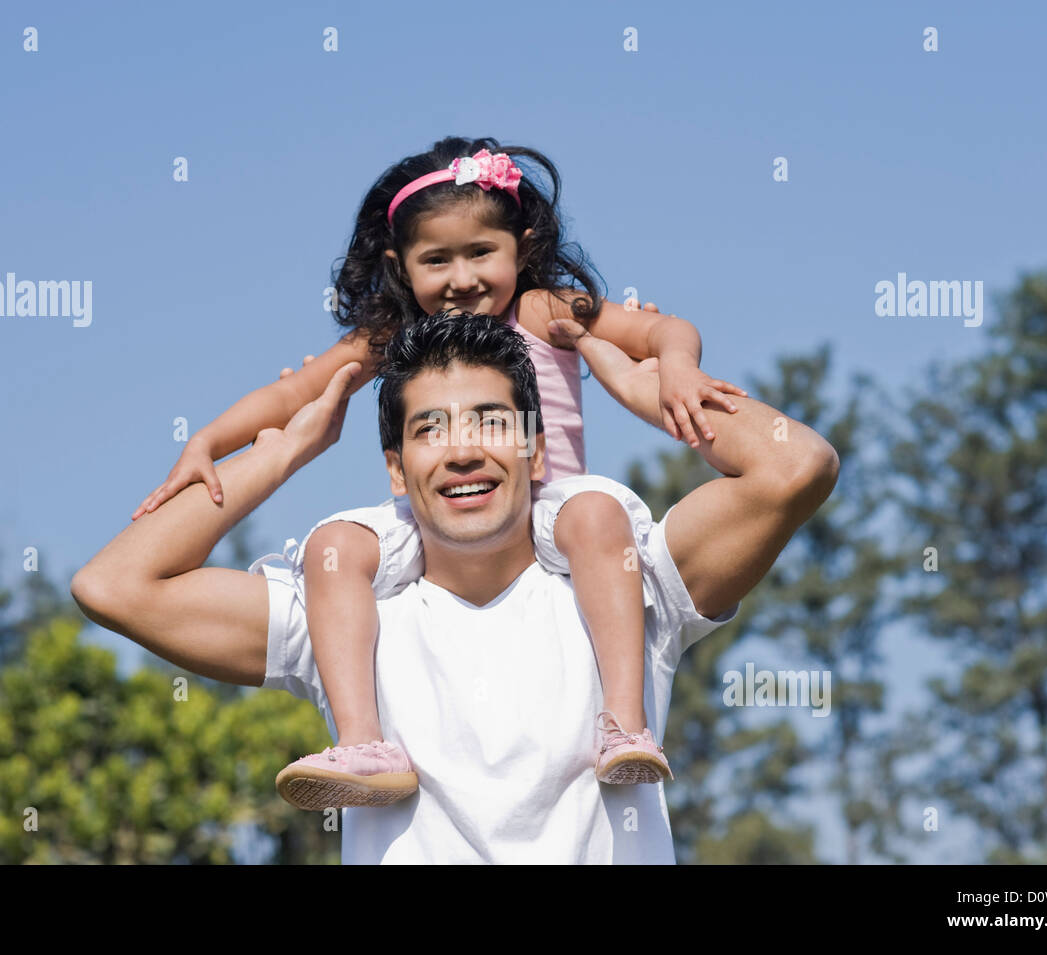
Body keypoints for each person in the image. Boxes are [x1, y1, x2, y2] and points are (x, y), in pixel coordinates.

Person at [70, 311, 839, 864]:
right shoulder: (346, 617)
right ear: (396, 470)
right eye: (430, 429)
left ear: (537, 452)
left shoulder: (629, 586)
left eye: (491, 423)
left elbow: (796, 466)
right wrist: (284, 450)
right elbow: (114, 585)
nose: (464, 450)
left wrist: (652, 389)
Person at [126, 136, 749, 808]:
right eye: (436, 259)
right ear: (401, 264)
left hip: (548, 510)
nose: (461, 277)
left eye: (481, 252)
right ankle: (363, 742)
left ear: (523, 246)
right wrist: (208, 442)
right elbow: (290, 395)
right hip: (439, 523)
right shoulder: (391, 335)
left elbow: (666, 330)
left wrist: (676, 367)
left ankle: (625, 724)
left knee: (600, 517)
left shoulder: (540, 309)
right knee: (334, 548)